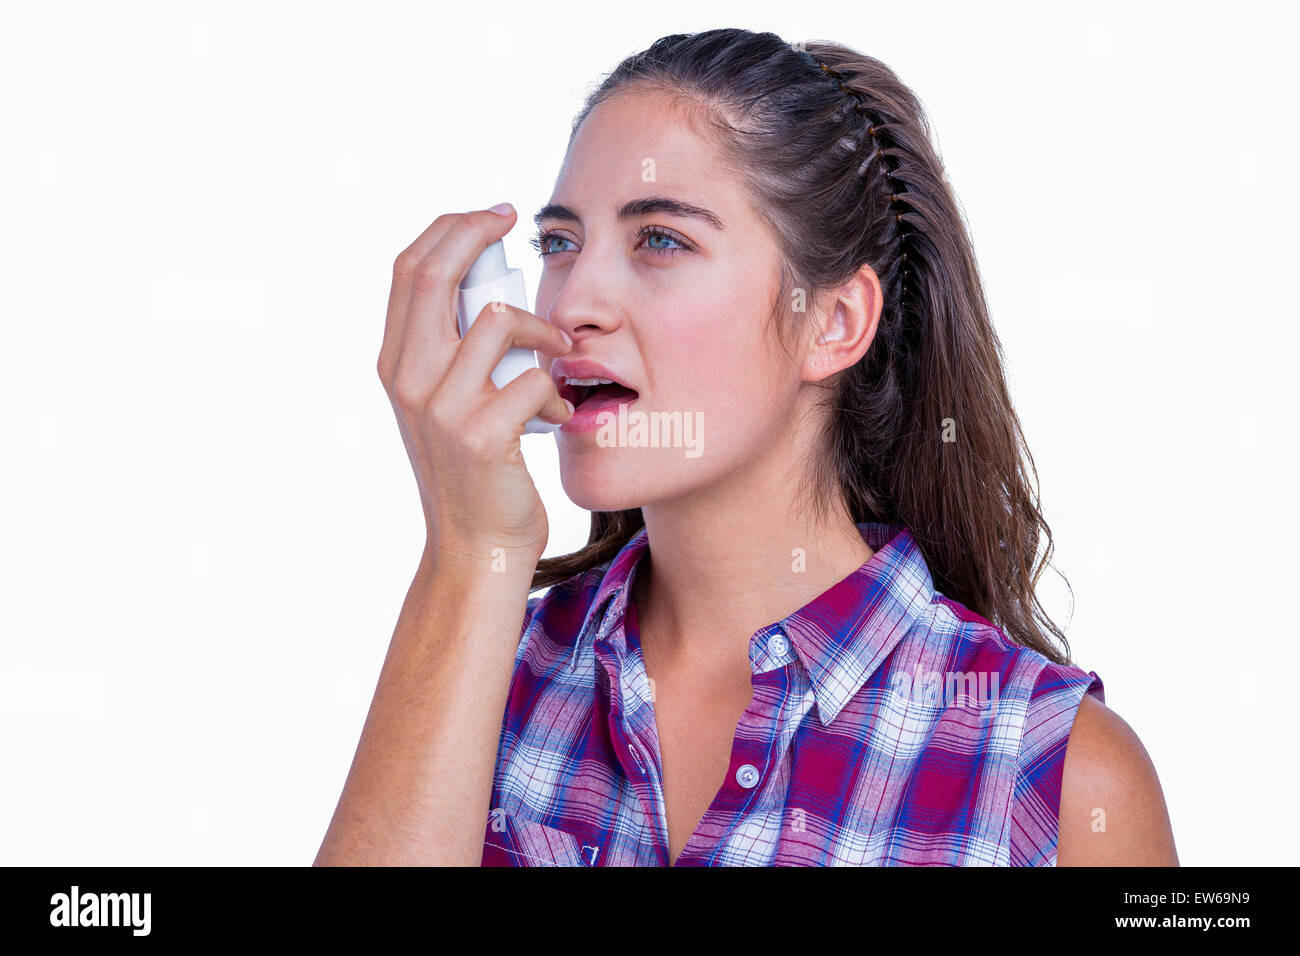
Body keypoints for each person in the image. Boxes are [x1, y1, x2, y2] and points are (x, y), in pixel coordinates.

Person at [316, 28, 1177, 866]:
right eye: (559, 243)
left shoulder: (1058, 776)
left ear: (833, 323)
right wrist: (474, 555)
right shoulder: (473, 670)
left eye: (660, 239)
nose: (574, 301)